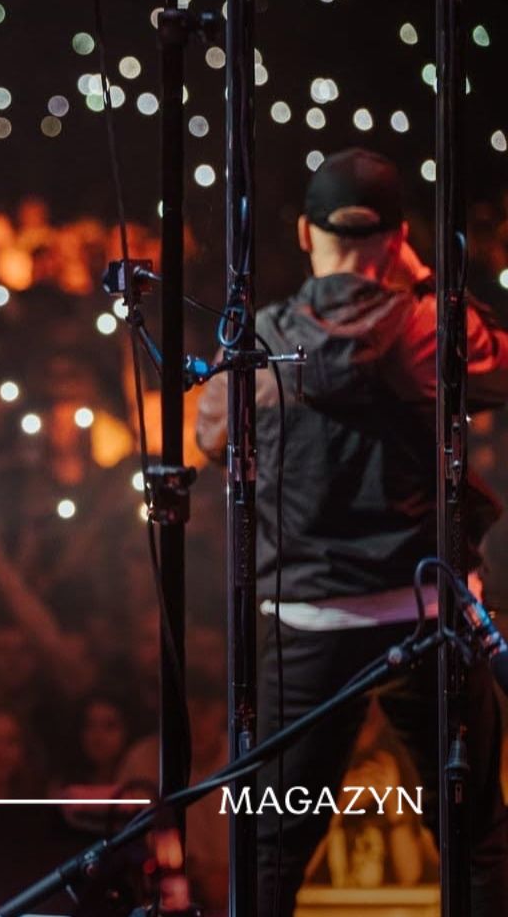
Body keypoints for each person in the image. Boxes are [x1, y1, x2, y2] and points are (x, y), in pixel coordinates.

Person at [196, 147, 508, 914]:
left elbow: (208, 436)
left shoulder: (261, 345)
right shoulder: (430, 329)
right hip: (425, 615)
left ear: (306, 234)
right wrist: (427, 282)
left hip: (306, 620)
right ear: (397, 238)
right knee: (475, 837)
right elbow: (500, 365)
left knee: (271, 844)